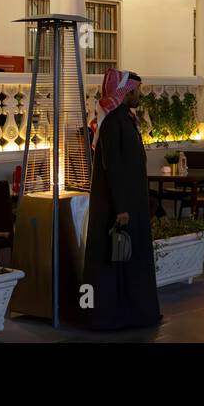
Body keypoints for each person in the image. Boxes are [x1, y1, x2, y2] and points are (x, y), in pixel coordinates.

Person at [82, 68, 162, 330]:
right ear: (125, 92)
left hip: (128, 205)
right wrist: (122, 208)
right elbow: (113, 166)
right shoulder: (113, 122)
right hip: (118, 209)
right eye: (136, 89)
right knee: (113, 261)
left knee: (128, 261)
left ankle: (132, 313)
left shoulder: (123, 119)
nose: (140, 94)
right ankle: (109, 317)